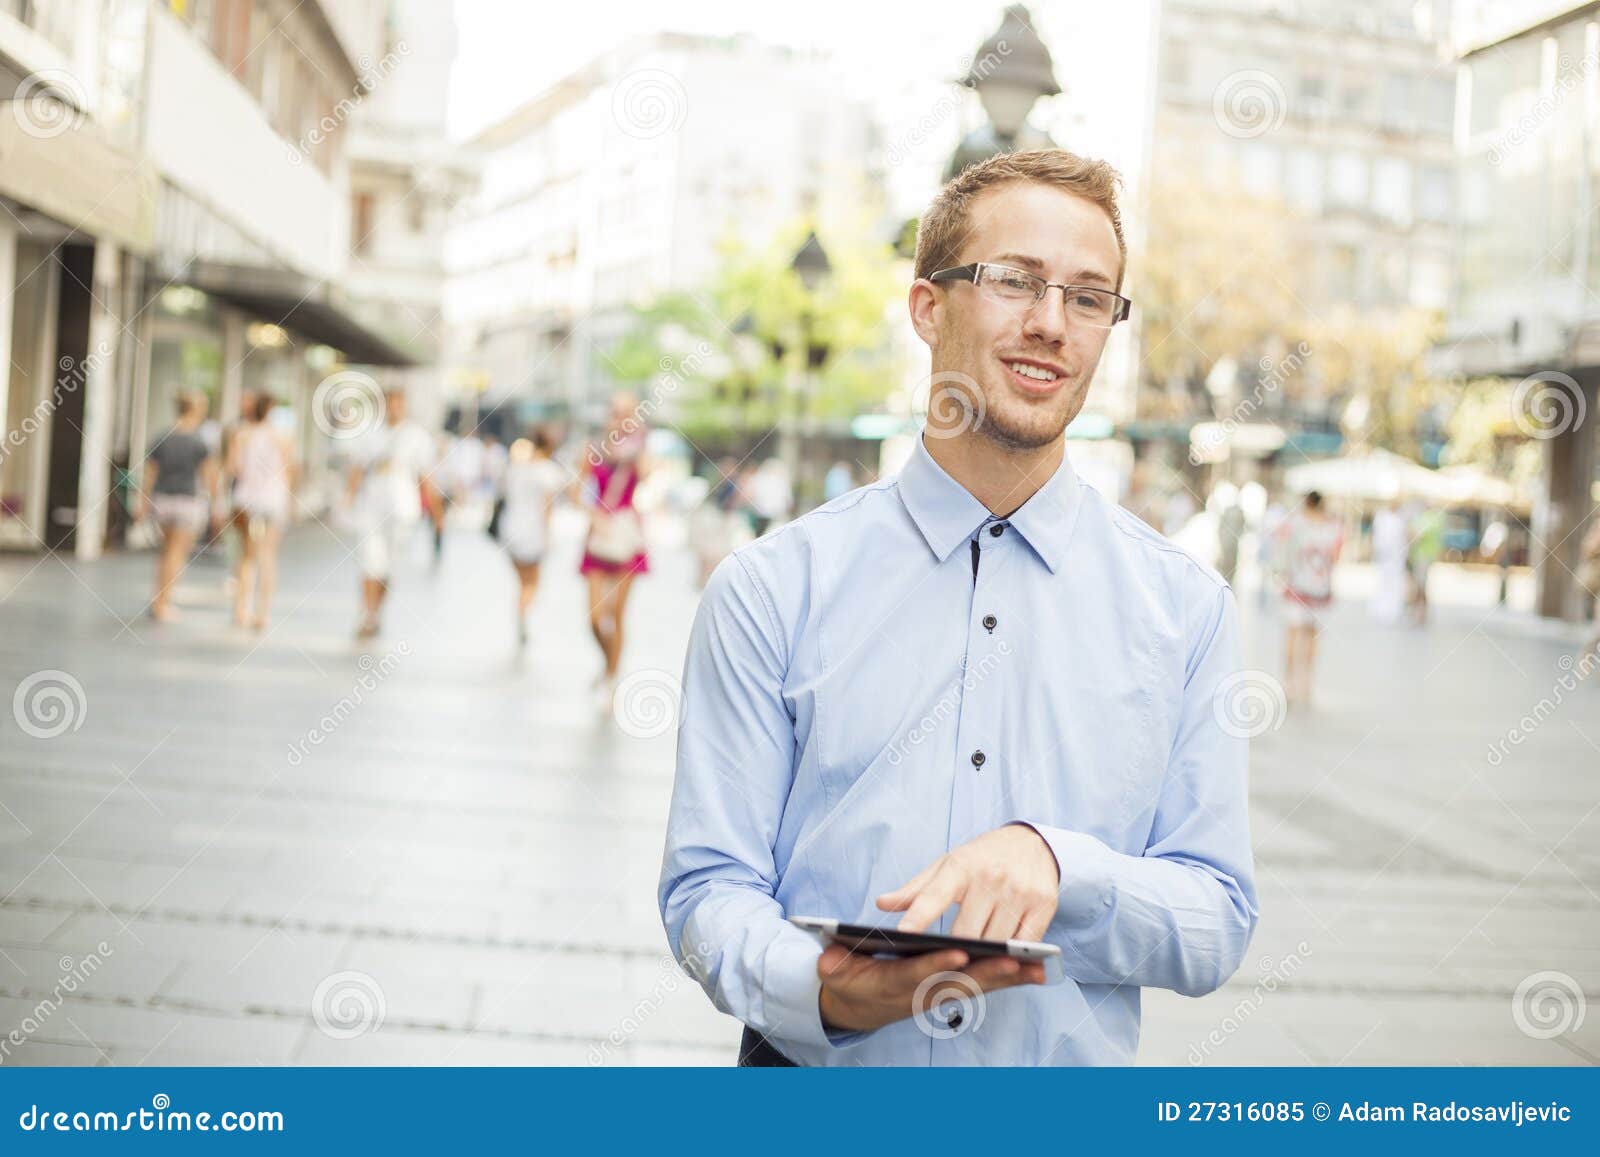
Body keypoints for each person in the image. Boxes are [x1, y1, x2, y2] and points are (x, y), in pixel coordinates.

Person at [659, 150, 1257, 1067]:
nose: (1052, 323)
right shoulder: (772, 587)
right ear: (927, 308)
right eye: (1014, 281)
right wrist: (818, 985)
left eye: (1089, 297)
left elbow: (1216, 918)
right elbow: (707, 888)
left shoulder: (1185, 609)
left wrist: (1063, 869)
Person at [346, 389, 437, 639]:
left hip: (402, 511)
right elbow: (356, 470)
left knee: (387, 567)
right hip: (371, 507)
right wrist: (349, 500)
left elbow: (425, 477)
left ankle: (378, 610)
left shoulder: (416, 436)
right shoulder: (369, 435)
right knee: (369, 562)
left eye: (398, 403)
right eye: (390, 404)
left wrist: (437, 513)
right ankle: (368, 613)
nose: (394, 408)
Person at [577, 393, 649, 700]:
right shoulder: (592, 449)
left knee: (617, 614)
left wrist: (637, 446)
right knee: (595, 617)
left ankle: (611, 676)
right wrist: (593, 516)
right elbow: (576, 491)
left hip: (626, 537)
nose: (619, 419)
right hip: (599, 536)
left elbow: (646, 477)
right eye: (615, 412)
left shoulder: (638, 451)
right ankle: (608, 662)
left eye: (626, 414)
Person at [139, 391, 220, 622]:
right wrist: (216, 506)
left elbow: (150, 473)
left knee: (166, 552)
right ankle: (164, 602)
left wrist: (143, 502)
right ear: (195, 410)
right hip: (187, 502)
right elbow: (208, 477)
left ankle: (159, 598)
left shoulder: (163, 436)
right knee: (177, 553)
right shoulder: (199, 441)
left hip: (163, 501)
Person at [226, 393, 296, 631]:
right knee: (267, 556)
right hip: (274, 500)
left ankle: (241, 609)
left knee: (246, 556)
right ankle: (263, 613)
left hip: (247, 499)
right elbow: (289, 471)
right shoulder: (282, 438)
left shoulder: (242, 434)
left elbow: (233, 468)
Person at [498, 427, 566, 646]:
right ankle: (522, 610)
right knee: (533, 583)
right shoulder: (548, 471)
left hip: (510, 529)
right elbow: (547, 506)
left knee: (522, 581)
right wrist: (547, 536)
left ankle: (521, 609)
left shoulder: (517, 468)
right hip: (532, 532)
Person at [1276, 490, 1343, 707]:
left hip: (1296, 586)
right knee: (1313, 636)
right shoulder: (1331, 527)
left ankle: (1289, 682)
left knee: (1293, 635)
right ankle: (1307, 683)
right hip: (1320, 589)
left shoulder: (1295, 523)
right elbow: (1336, 556)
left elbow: (1282, 549)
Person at [1369, 501, 1409, 624]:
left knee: (1394, 585)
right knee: (1384, 584)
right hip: (1385, 557)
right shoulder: (1382, 518)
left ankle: (1392, 611)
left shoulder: (1400, 519)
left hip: (1395, 559)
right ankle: (1383, 610)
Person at [1406, 503, 1445, 624]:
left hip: (1423, 557)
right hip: (1420, 557)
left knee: (1420, 586)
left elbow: (1417, 536)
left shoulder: (1431, 519)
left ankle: (1420, 614)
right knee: (1419, 586)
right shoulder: (1431, 518)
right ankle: (1418, 613)